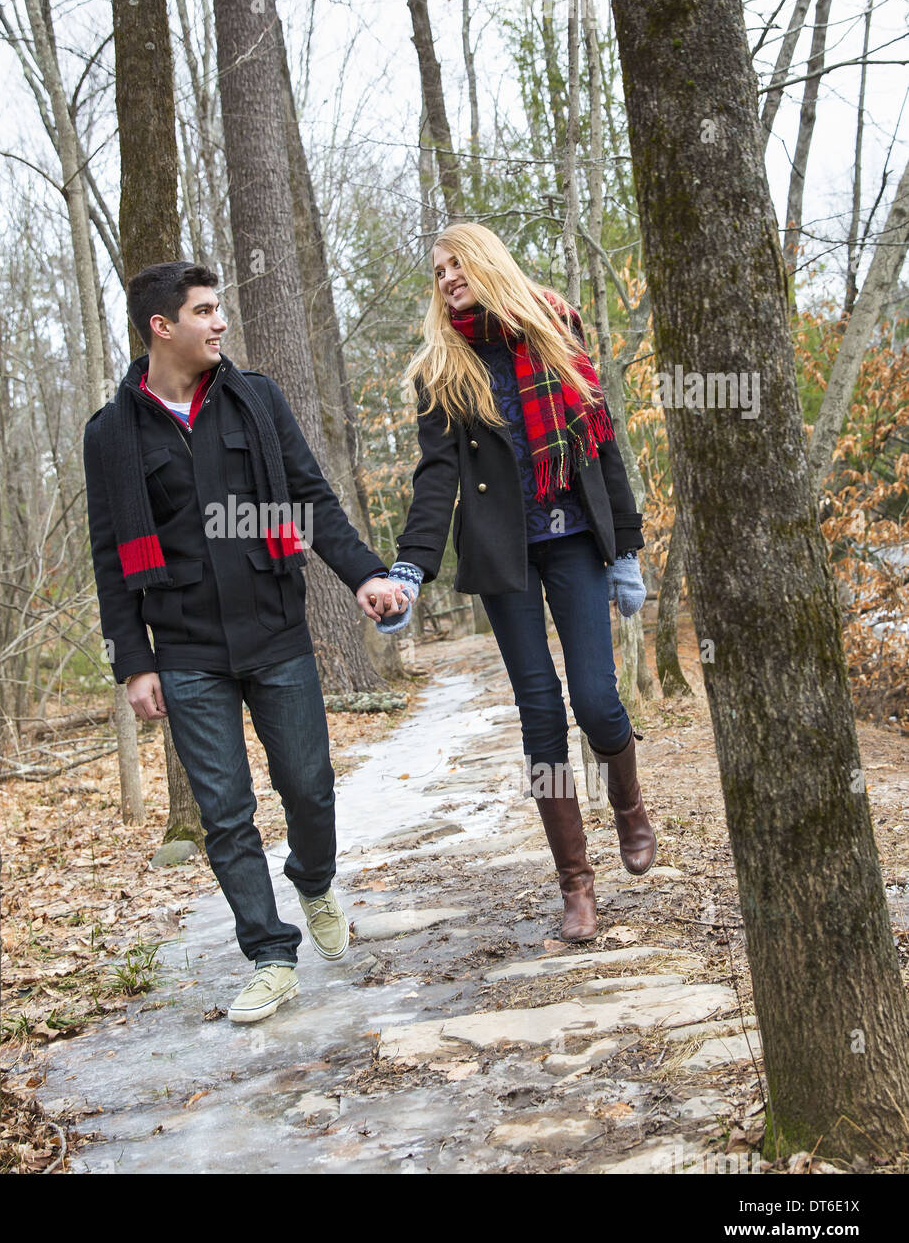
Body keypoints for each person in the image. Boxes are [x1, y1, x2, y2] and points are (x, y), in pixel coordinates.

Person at [83, 261, 408, 1022]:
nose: (220, 322)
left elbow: (311, 497)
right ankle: (267, 952)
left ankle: (315, 879)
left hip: (275, 630)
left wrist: (361, 575)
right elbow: (110, 556)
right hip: (187, 649)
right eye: (205, 311)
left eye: (219, 308)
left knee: (308, 785)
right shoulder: (111, 434)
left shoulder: (255, 400)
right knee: (225, 813)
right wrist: (135, 662)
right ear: (162, 327)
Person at [377, 223, 655, 943]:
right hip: (504, 554)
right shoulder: (442, 367)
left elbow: (602, 437)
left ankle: (628, 804)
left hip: (574, 542)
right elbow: (436, 477)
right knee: (539, 714)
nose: (446, 278)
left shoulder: (556, 324)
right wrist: (410, 566)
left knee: (596, 700)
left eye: (456, 263)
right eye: (436, 270)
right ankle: (577, 886)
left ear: (486, 261)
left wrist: (624, 547)